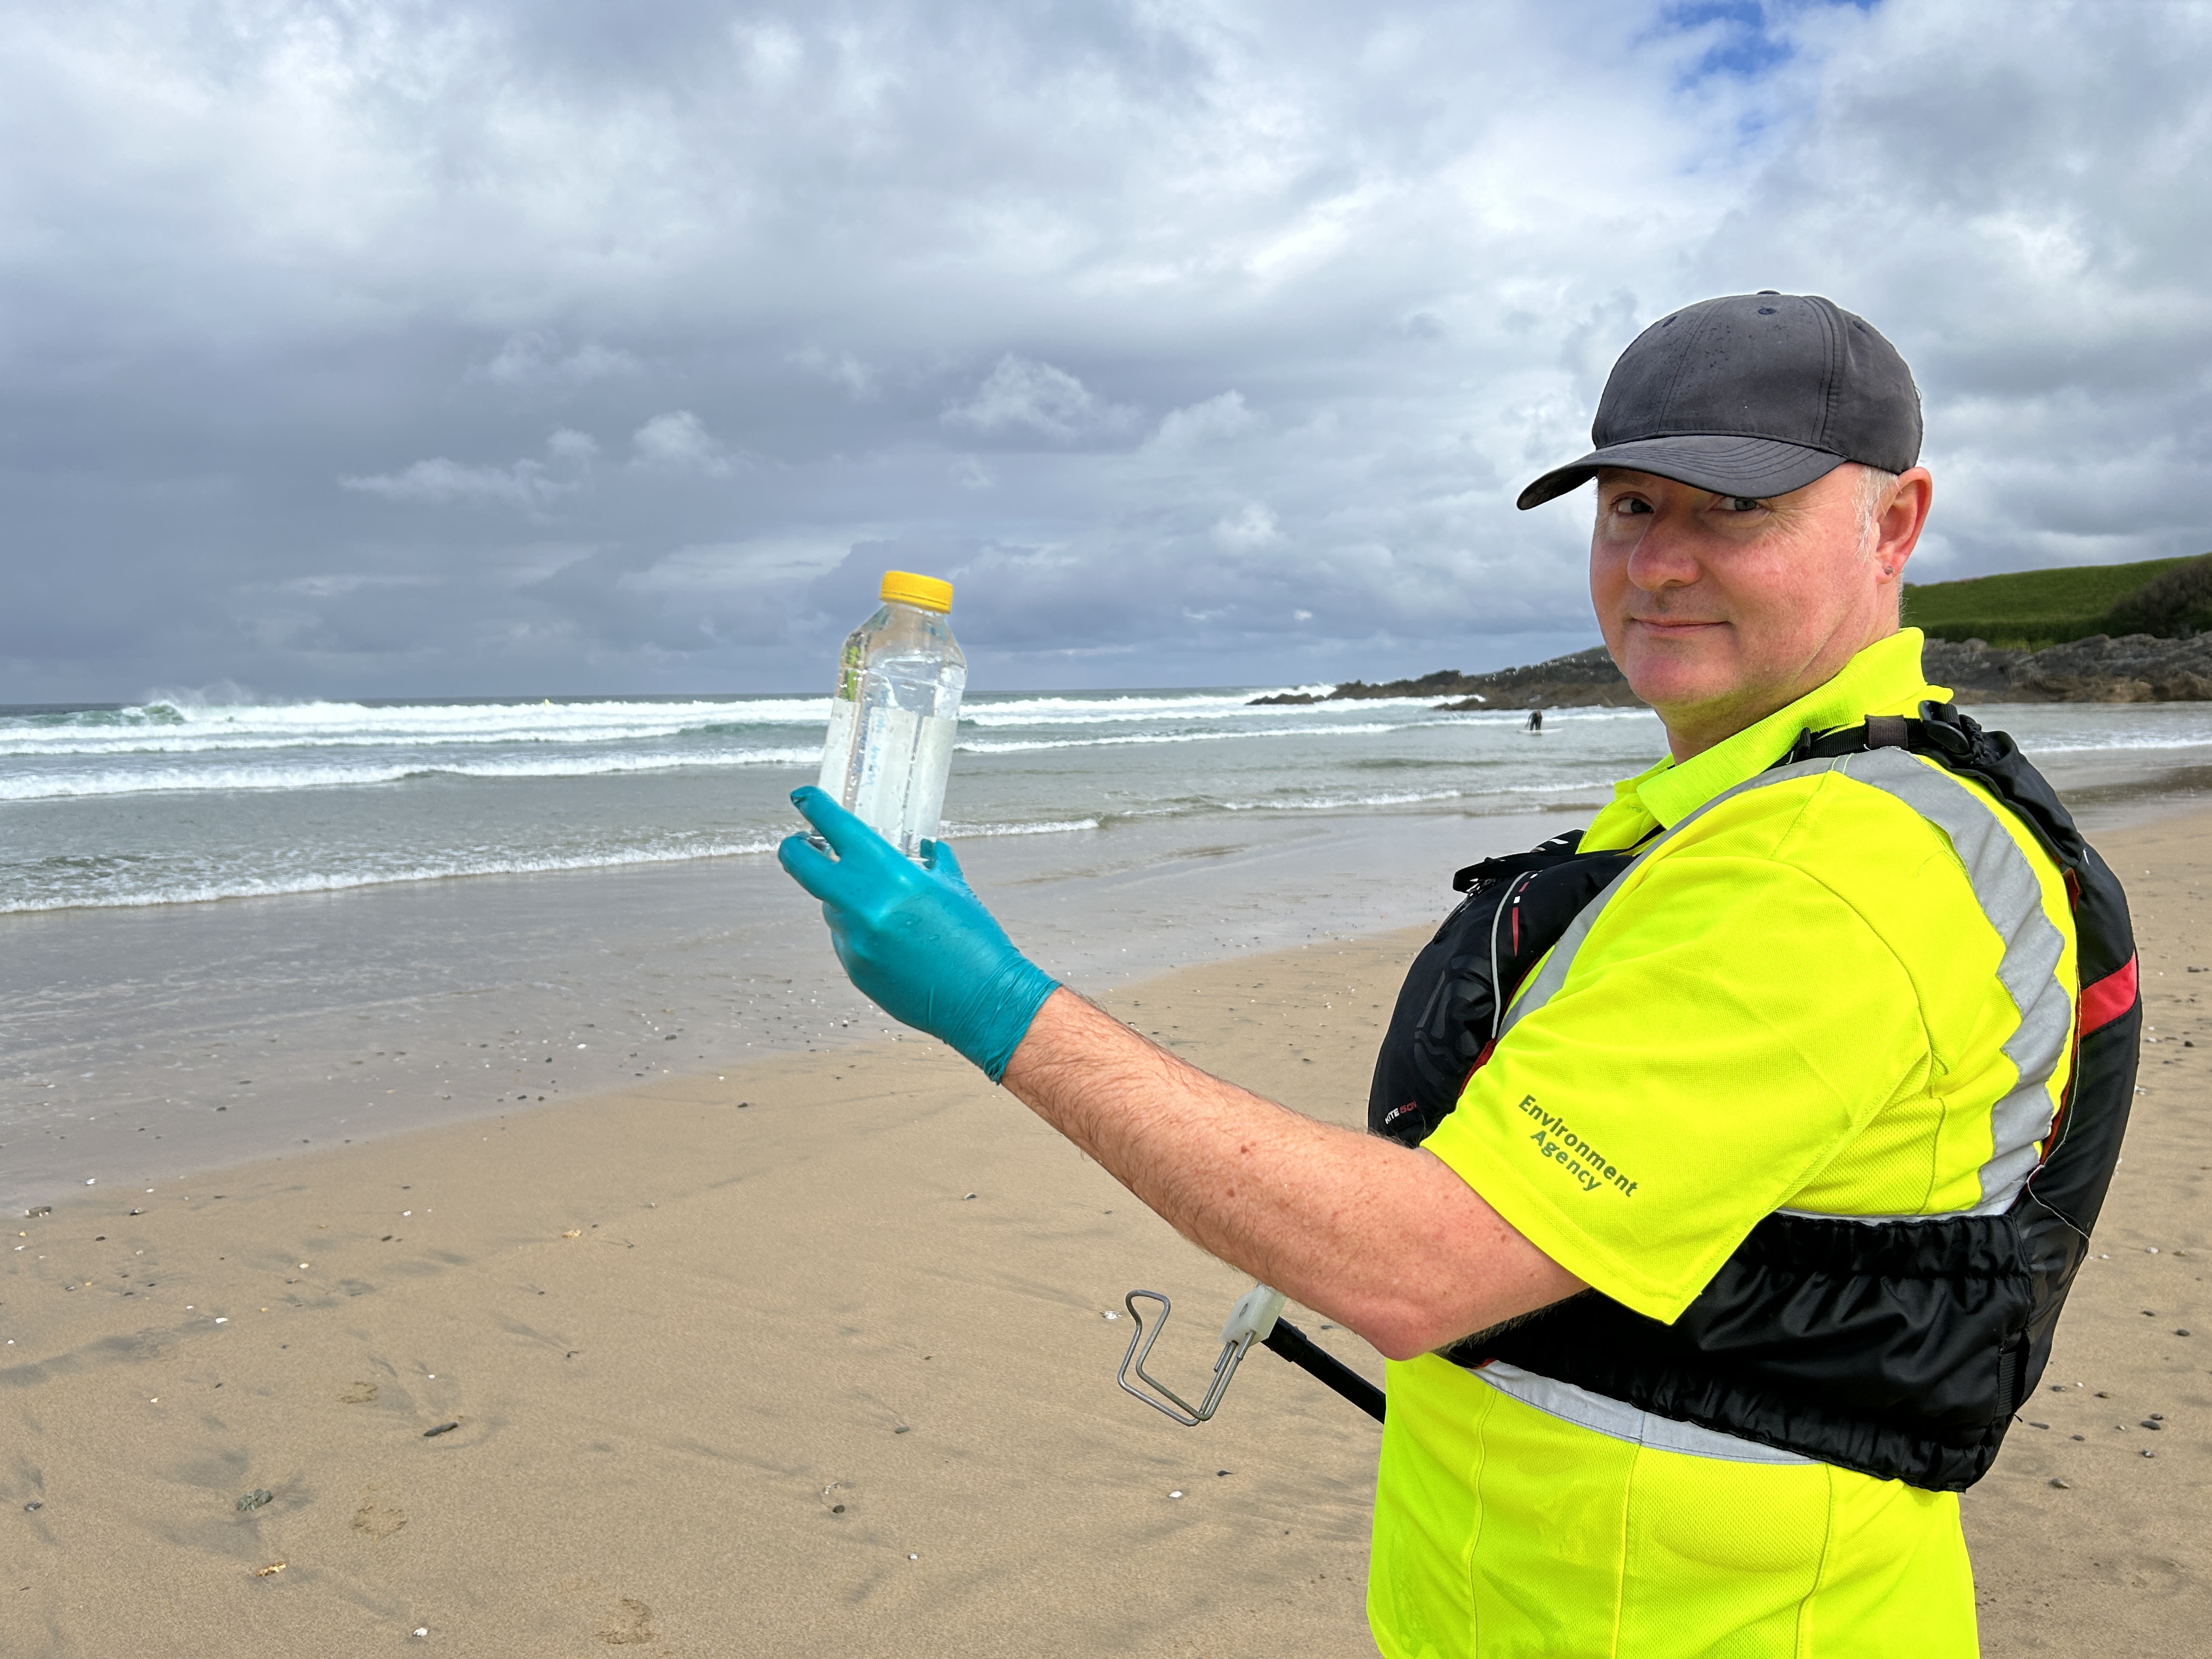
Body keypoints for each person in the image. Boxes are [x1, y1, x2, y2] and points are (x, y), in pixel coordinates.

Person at [780, 292, 2137, 1657]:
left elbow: (1420, 1266)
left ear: (1895, 523)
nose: (1661, 564)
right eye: (1632, 507)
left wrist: (993, 1003)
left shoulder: (1832, 871)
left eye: (1737, 510)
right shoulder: (1756, 799)